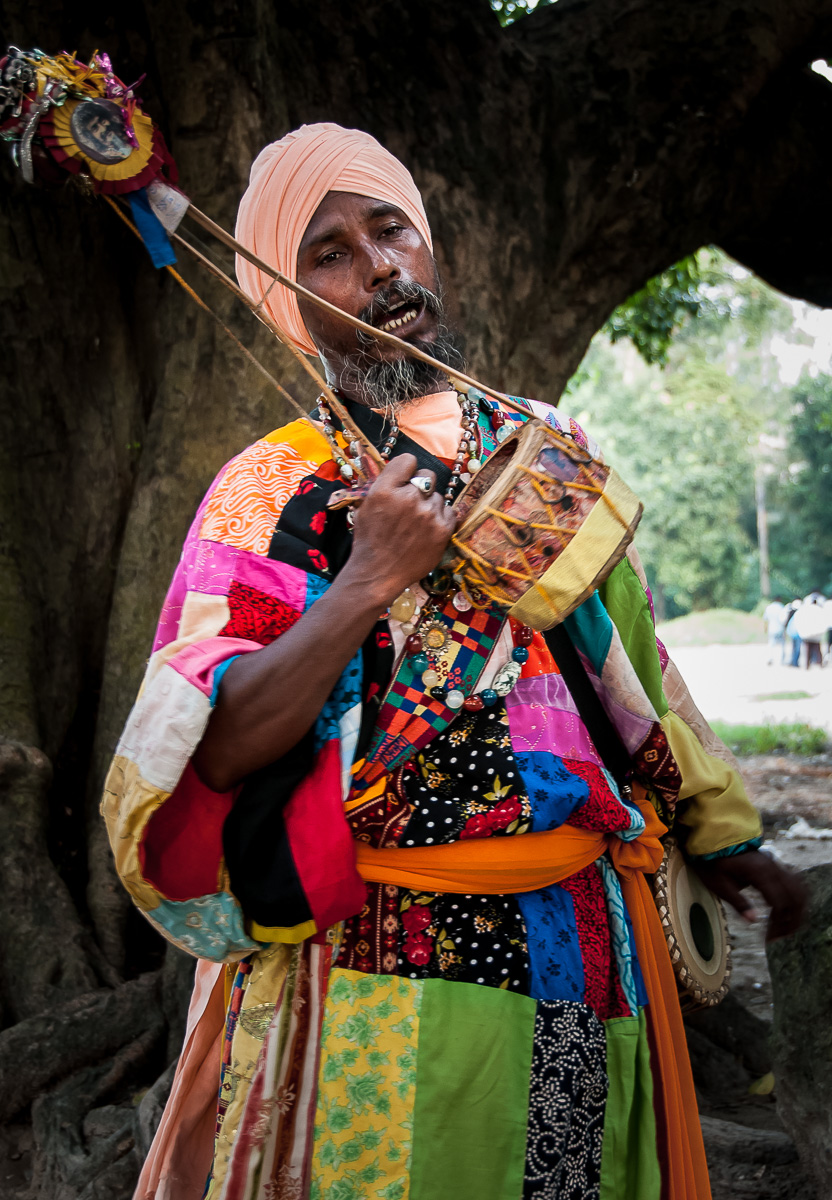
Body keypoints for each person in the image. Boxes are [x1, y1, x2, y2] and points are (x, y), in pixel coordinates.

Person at [102, 123, 806, 1200]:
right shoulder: (271, 488)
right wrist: (366, 577)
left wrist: (725, 832)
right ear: (288, 302)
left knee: (561, 1181)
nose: (379, 267)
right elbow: (218, 742)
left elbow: (633, 664)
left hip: (579, 941)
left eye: (391, 231)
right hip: (376, 958)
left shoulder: (541, 445)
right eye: (329, 252)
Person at [762, 595, 787, 665]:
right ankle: (781, 660)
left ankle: (770, 658)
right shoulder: (782, 607)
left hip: (771, 628)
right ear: (779, 599)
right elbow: (784, 619)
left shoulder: (769, 607)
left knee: (771, 644)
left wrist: (765, 628)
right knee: (781, 645)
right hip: (780, 628)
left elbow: (765, 619)